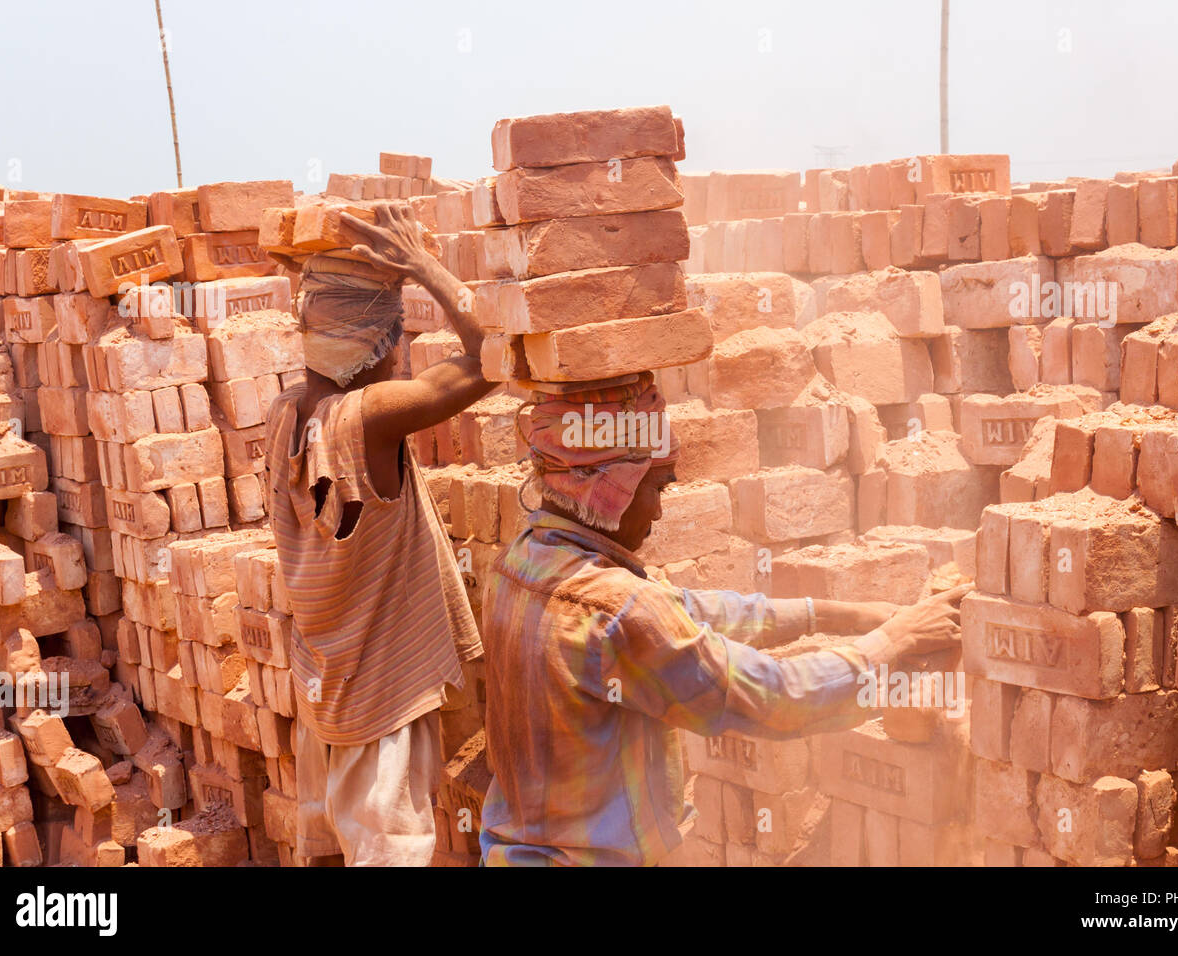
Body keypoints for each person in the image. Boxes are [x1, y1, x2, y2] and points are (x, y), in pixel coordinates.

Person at [478, 373, 969, 866]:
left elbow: (686, 609)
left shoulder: (519, 563)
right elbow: (772, 697)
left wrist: (840, 614)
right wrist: (892, 642)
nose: (660, 511)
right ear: (613, 491)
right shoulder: (615, 608)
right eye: (655, 487)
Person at [265, 203, 494, 866]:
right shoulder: (372, 416)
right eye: (397, 332)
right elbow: (491, 355)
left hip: (330, 692)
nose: (402, 352)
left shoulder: (287, 413)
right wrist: (421, 266)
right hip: (384, 710)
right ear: (381, 338)